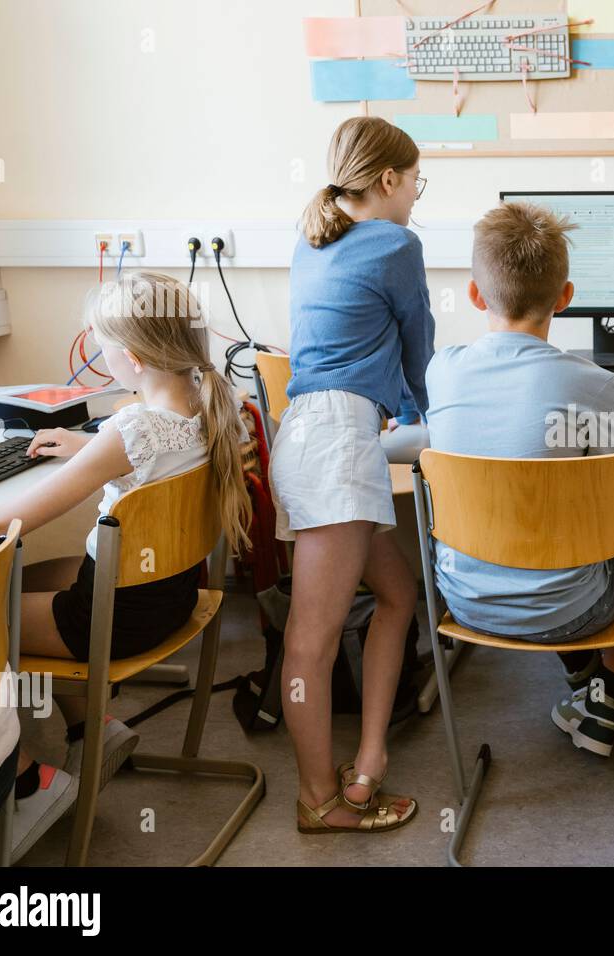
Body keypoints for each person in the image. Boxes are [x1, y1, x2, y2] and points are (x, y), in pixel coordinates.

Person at [0, 270, 252, 859]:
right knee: (13, 578)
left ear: (132, 358)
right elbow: (153, 452)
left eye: (101, 345)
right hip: (171, 598)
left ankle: (30, 777)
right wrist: (87, 447)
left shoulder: (132, 426)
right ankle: (97, 726)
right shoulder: (214, 403)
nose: (98, 355)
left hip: (108, 619)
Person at [424, 201, 614, 757]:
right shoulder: (596, 386)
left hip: (464, 603)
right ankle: (607, 704)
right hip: (569, 611)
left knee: (545, 529)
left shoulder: (444, 370)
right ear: (565, 297)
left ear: (476, 295)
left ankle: (586, 681)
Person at [269, 116, 432, 833]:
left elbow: (353, 336)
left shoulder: (315, 239)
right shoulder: (397, 242)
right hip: (337, 444)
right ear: (390, 179)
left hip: (313, 432)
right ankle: (318, 801)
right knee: (312, 638)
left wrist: (390, 405)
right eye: (416, 181)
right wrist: (436, 415)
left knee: (398, 595)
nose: (418, 196)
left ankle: (368, 765)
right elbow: (417, 340)